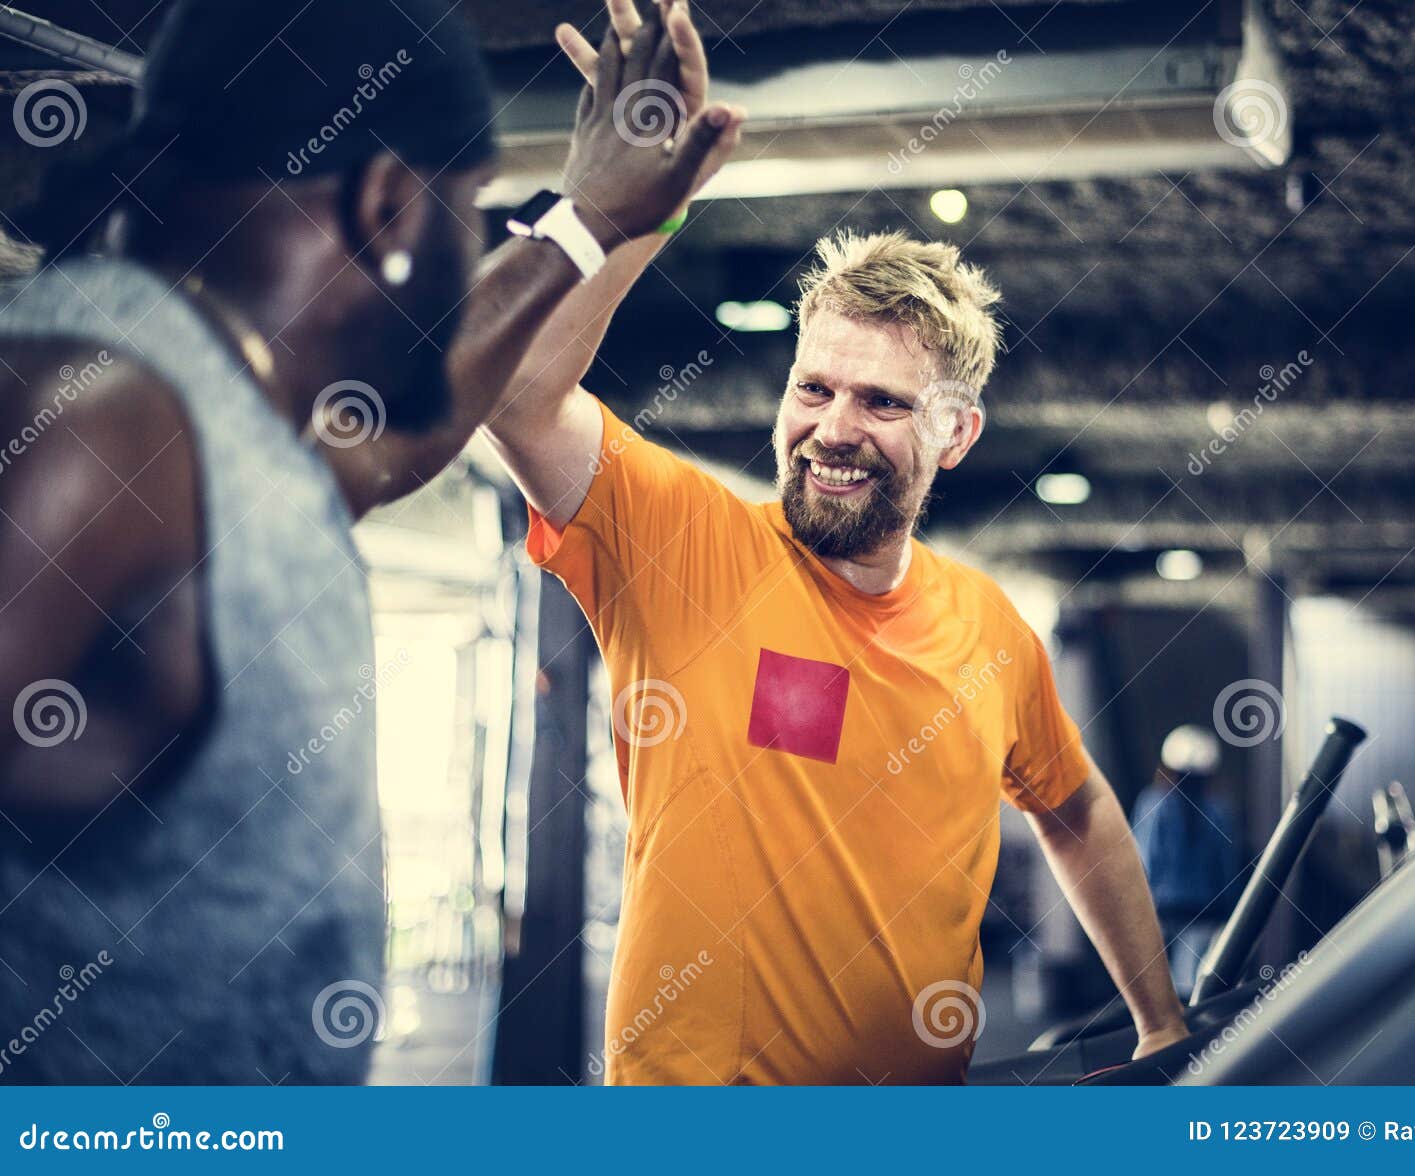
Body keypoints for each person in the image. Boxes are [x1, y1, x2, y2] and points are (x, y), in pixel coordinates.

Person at [0, 0, 739, 1083]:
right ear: (389, 202)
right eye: (472, 205)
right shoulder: (95, 421)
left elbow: (400, 440)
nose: (475, 233)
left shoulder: (217, 417)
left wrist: (586, 218)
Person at [474, 0, 1189, 1084]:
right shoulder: (683, 541)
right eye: (813, 387)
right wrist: (623, 213)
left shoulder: (988, 627)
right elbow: (516, 395)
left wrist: (1161, 1027)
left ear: (956, 434)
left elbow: (1079, 806)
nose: (834, 430)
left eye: (884, 403)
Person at [1131, 726, 1241, 997]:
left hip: (1162, 910)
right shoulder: (1219, 810)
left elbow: (1144, 860)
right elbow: (1228, 868)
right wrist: (1232, 908)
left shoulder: (1152, 805)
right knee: (1192, 988)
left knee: (1157, 991)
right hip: (1204, 912)